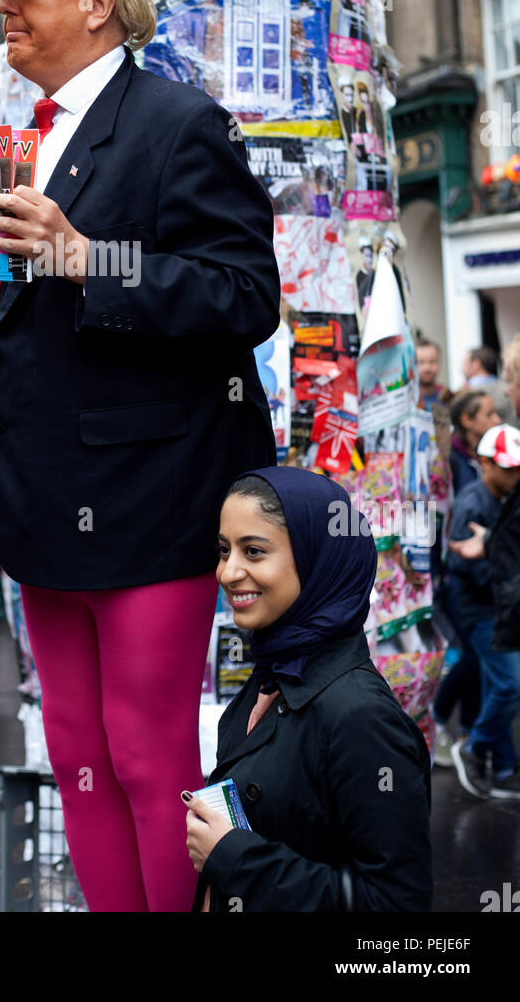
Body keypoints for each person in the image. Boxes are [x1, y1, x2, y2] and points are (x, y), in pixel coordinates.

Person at [0, 0, 281, 912]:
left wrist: (82, 254)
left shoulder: (179, 122)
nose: (3, 7)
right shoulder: (19, 135)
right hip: (40, 496)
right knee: (78, 757)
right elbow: (3, 319)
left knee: (148, 757)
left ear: (98, 3)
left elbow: (244, 296)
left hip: (149, 497)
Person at [185, 468, 432, 912]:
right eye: (224, 551)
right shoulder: (271, 676)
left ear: (320, 559)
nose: (228, 571)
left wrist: (235, 860)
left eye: (254, 552)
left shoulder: (360, 717)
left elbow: (395, 903)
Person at [447, 425, 520, 798]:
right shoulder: (473, 503)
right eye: (507, 467)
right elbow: (468, 569)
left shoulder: (508, 496)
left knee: (499, 684)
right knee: (509, 684)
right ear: (485, 463)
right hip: (479, 609)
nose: (514, 474)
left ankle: (505, 767)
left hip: (500, 606)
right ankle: (474, 747)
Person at [449, 390, 500, 494]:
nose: (497, 420)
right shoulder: (448, 459)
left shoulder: (491, 451)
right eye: (489, 414)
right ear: (467, 420)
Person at [462, 344, 513, 422]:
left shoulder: (467, 391)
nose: (462, 368)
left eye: (465, 363)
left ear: (476, 364)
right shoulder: (507, 386)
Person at [417, 338, 450, 411]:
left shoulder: (447, 399)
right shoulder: (405, 401)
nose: (427, 368)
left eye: (432, 362)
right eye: (421, 362)